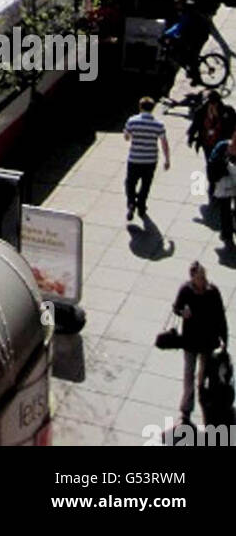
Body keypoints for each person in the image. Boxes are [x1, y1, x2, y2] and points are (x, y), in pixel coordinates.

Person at [173, 261, 228, 425]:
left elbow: (220, 317)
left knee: (203, 378)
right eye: (200, 277)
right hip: (190, 341)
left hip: (208, 342)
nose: (204, 279)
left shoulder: (213, 292)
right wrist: (183, 312)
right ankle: (186, 411)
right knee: (188, 375)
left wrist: (224, 339)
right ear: (193, 279)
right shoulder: (185, 290)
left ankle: (206, 408)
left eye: (204, 276)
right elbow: (176, 307)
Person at [123, 95, 170, 222]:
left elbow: (127, 137)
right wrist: (167, 160)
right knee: (146, 184)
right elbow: (164, 143)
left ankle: (131, 202)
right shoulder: (158, 125)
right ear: (153, 108)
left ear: (140, 107)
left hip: (135, 158)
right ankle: (141, 206)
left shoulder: (132, 121)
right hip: (150, 159)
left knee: (130, 182)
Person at [189, 90, 236, 168]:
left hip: (221, 142)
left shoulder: (228, 111)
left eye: (215, 103)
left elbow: (233, 124)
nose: (213, 105)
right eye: (211, 103)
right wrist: (191, 137)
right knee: (210, 162)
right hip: (207, 142)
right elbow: (195, 125)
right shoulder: (201, 112)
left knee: (222, 163)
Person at [211, 132, 236, 248]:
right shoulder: (223, 146)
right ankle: (227, 232)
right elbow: (213, 162)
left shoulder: (223, 146)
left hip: (225, 184)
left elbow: (212, 160)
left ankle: (227, 234)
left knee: (225, 209)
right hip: (226, 183)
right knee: (225, 209)